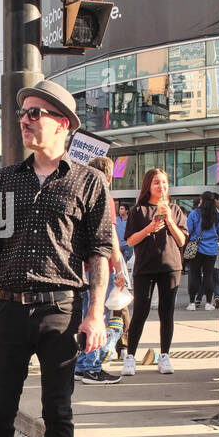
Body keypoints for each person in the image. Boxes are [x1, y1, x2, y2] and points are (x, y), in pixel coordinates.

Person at [0, 80, 112, 437]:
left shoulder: (89, 181)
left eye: (35, 113)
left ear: (63, 124)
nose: (25, 119)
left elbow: (98, 253)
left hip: (61, 311)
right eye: (23, 112)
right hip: (10, 309)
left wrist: (95, 314)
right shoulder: (7, 180)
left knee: (58, 413)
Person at [121, 168, 186, 375]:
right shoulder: (138, 211)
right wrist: (149, 228)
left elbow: (182, 240)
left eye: (164, 183)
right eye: (157, 183)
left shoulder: (175, 209)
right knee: (140, 311)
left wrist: (169, 220)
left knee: (167, 313)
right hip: (145, 267)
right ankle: (130, 356)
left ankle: (165, 355)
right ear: (148, 185)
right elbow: (130, 240)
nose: (161, 187)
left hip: (171, 266)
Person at [75, 156, 128, 384]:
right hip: (100, 267)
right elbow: (111, 238)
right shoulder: (105, 198)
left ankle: (82, 364)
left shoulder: (80, 196)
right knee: (98, 316)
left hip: (81, 267)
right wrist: (118, 267)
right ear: (108, 177)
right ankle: (91, 365)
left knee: (87, 315)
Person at [185, 191, 219, 310]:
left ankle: (192, 303)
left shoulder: (194, 214)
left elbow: (188, 229)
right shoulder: (217, 215)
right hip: (212, 249)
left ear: (202, 201)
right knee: (209, 276)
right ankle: (209, 303)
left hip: (196, 248)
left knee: (195, 275)